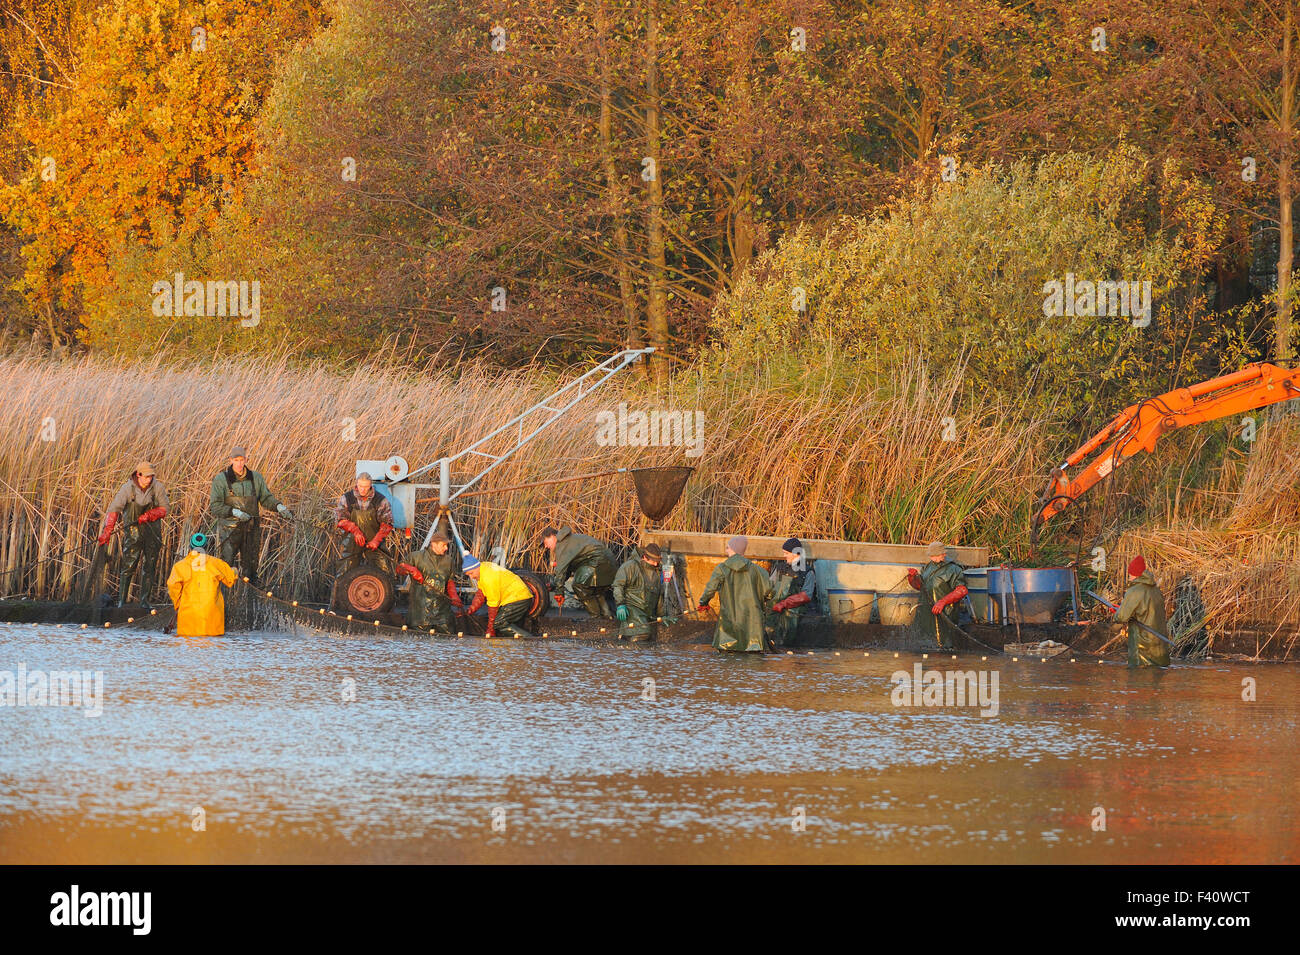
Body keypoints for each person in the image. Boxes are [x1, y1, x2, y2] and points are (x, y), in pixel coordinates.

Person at [208, 446, 292, 586]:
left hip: (251, 529)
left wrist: (279, 506)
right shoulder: (221, 479)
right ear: (231, 460)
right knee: (225, 566)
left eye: (242, 460)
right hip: (229, 531)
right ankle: (226, 598)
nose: (239, 463)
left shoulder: (256, 478)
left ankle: (248, 597)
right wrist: (234, 512)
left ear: (246, 460)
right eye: (236, 460)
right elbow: (215, 506)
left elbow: (265, 498)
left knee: (251, 567)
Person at [97, 461, 169, 607]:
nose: (149, 479)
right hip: (132, 532)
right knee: (129, 565)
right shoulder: (127, 489)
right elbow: (114, 510)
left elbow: (165, 509)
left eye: (151, 476)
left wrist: (150, 515)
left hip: (152, 532)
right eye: (147, 476)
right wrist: (107, 531)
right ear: (138, 475)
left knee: (150, 565)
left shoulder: (158, 487)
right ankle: (122, 601)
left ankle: (145, 601)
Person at [697, 536, 774, 653]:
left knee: (727, 663)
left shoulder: (721, 569)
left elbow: (710, 590)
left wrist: (703, 603)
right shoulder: (759, 571)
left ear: (733, 549)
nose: (726, 550)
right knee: (753, 664)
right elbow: (769, 593)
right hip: (753, 630)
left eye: (727, 547)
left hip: (728, 629)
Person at [166, 533, 237, 637]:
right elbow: (231, 578)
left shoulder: (179, 566)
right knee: (213, 643)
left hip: (188, 616)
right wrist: (235, 570)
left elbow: (172, 587)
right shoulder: (216, 563)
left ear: (190, 546)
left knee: (186, 642)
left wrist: (178, 605)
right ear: (205, 546)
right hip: (211, 618)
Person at [542, 525, 618, 618]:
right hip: (610, 564)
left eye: (545, 542)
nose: (546, 546)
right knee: (597, 592)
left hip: (597, 562)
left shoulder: (561, 545)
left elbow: (560, 571)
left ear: (552, 536)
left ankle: (596, 618)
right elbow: (566, 571)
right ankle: (607, 617)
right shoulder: (569, 540)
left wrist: (559, 593)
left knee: (579, 586)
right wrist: (554, 584)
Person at [396, 530, 464, 632]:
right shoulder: (416, 556)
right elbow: (399, 569)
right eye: (444, 545)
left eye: (447, 545)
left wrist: (454, 596)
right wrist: (411, 569)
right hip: (420, 612)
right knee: (419, 639)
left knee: (448, 638)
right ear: (433, 544)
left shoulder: (448, 561)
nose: (446, 548)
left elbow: (450, 581)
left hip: (442, 612)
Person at [907, 540, 969, 651]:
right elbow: (920, 586)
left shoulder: (954, 569)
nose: (933, 558)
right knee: (925, 644)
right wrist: (912, 577)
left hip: (945, 612)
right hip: (926, 611)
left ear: (944, 554)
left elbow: (962, 590)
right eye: (931, 556)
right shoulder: (927, 567)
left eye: (935, 556)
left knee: (944, 644)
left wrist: (942, 602)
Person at [1112, 555, 1171, 668]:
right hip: (1160, 647)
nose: (1128, 576)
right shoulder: (1155, 590)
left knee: (1138, 681)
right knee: (1156, 680)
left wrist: (1117, 613)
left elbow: (1121, 617)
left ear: (1134, 573)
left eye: (1129, 573)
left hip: (1143, 648)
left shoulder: (1135, 591)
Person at [462, 553, 534, 639]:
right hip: (512, 597)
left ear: (476, 567)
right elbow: (481, 592)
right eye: (468, 575)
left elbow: (493, 604)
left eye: (471, 573)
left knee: (498, 623)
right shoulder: (483, 567)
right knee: (497, 622)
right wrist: (472, 609)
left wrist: (490, 628)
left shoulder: (488, 577)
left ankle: (530, 640)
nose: (471, 577)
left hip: (518, 597)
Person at [334, 473, 394, 573]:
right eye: (360, 486)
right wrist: (355, 530)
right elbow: (340, 520)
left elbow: (387, 524)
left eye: (366, 487)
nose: (363, 489)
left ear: (370, 485)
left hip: (374, 541)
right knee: (344, 571)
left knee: (384, 570)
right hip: (351, 540)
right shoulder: (347, 498)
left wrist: (376, 540)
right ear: (356, 484)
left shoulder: (380, 500)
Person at [768, 536, 817, 648]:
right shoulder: (780, 567)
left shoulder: (808, 572)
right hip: (775, 609)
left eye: (786, 553)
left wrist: (783, 604)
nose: (784, 555)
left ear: (795, 554)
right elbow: (769, 586)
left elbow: (806, 595)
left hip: (795, 613)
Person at [612, 543, 667, 642]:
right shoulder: (630, 566)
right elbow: (618, 586)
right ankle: (629, 650)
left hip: (647, 614)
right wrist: (620, 604)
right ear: (645, 557)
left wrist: (662, 616)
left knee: (650, 639)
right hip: (632, 609)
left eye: (657, 561)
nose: (656, 564)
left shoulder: (657, 572)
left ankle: (626, 643)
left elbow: (658, 596)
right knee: (643, 633)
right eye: (653, 561)